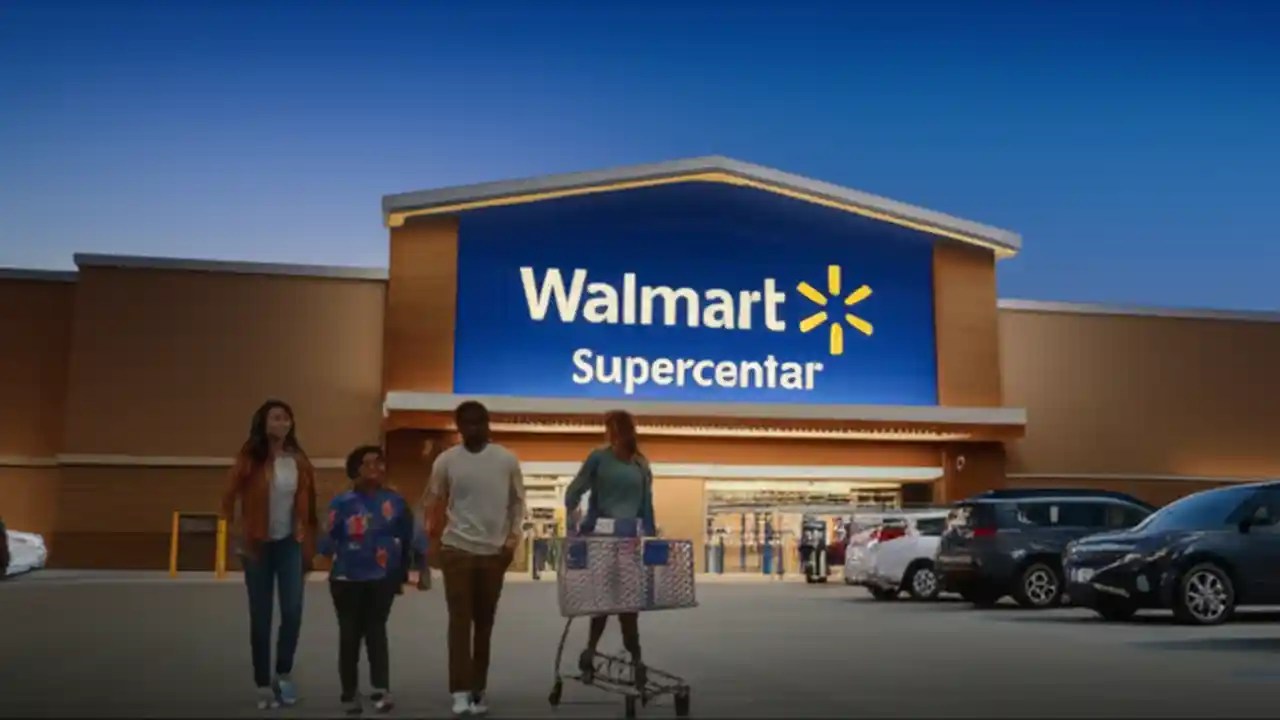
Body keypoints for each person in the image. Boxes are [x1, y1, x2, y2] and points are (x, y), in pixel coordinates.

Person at [422, 401, 525, 716]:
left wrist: (510, 543)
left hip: (493, 554)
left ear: (488, 424)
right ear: (458, 426)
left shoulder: (506, 460)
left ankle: (478, 688)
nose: (473, 428)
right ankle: (460, 690)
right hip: (457, 550)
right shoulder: (447, 461)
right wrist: (432, 542)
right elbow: (433, 500)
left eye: (478, 422)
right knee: (459, 622)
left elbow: (517, 503)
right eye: (466, 423)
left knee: (484, 623)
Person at [220, 399, 319, 709]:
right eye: (276, 418)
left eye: (286, 418)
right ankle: (262, 682)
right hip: (257, 546)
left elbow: (310, 507)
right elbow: (228, 497)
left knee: (292, 611)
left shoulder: (298, 460)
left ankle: (283, 674)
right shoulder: (250, 457)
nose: (283, 423)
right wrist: (236, 533)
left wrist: (308, 546)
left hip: (289, 543)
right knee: (261, 617)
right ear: (264, 423)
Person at [320, 444, 421, 715]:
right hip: (347, 578)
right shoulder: (341, 503)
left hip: (382, 577)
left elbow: (410, 536)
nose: (375, 468)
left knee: (377, 630)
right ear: (355, 470)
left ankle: (381, 688)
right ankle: (349, 693)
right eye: (368, 463)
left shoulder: (395, 502)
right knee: (349, 634)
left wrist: (410, 570)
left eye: (380, 462)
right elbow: (327, 541)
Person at [564, 409, 656, 689]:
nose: (611, 434)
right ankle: (608, 655)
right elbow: (573, 492)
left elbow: (646, 505)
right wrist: (575, 521)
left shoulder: (638, 464)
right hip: (605, 537)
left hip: (626, 540)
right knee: (608, 602)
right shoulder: (607, 459)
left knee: (625, 603)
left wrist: (650, 537)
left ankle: (626, 656)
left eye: (612, 428)